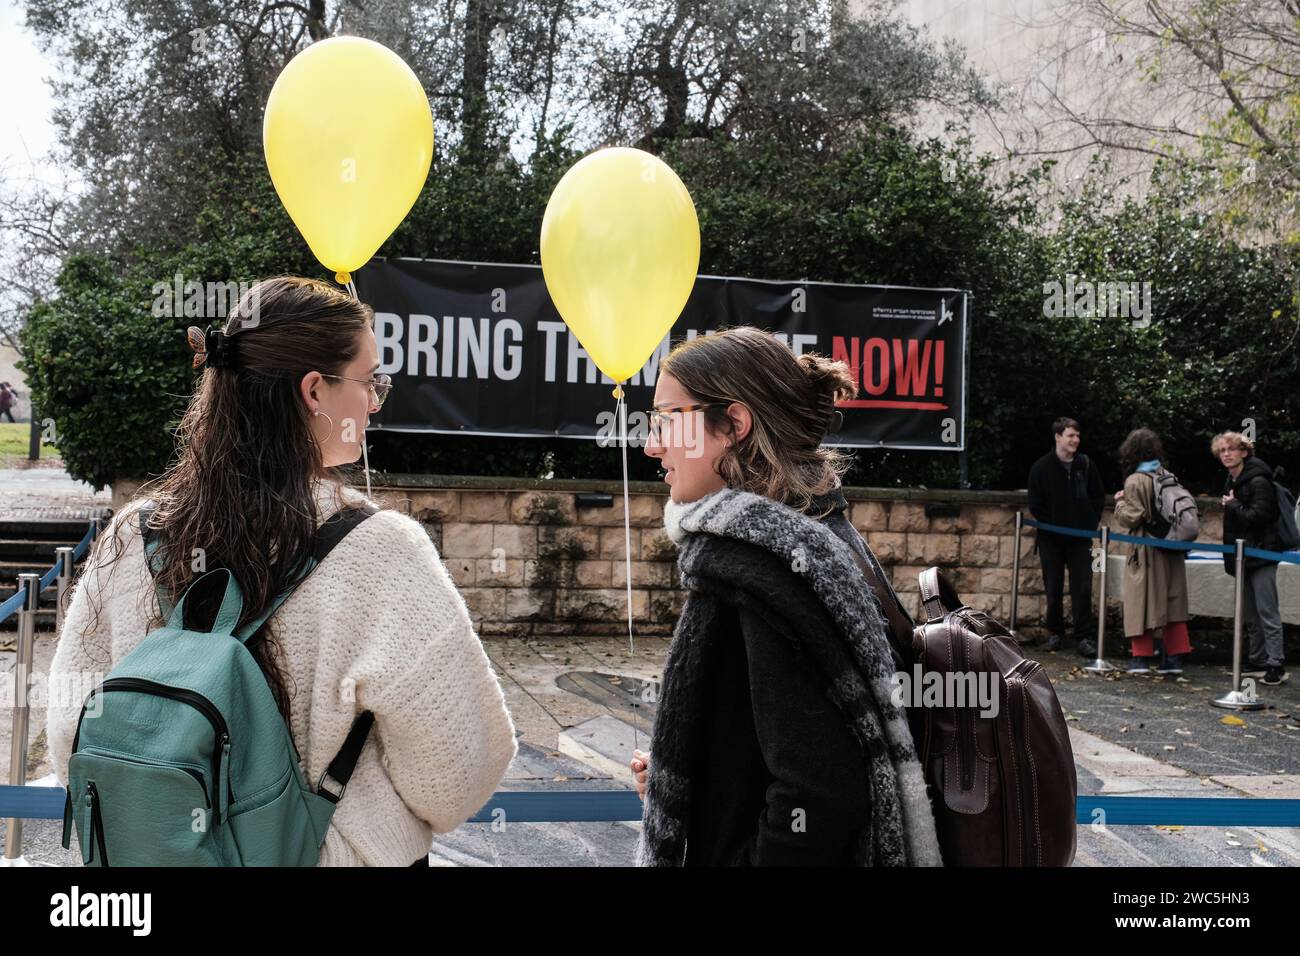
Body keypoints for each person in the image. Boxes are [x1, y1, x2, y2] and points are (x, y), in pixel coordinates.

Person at [46, 275, 518, 865]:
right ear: (315, 390)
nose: (375, 400)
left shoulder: (135, 532)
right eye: (370, 380)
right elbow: (456, 779)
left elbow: (71, 732)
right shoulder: (382, 552)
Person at [630, 325, 941, 867]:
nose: (651, 442)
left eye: (666, 419)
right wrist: (688, 779)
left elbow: (817, 794)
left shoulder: (764, 567)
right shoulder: (817, 532)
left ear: (733, 424)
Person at [1111, 429, 1191, 674]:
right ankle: (1174, 659)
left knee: (1140, 600)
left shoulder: (1135, 480)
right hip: (1171, 547)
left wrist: (1120, 503)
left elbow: (1132, 518)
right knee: (1173, 601)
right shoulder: (1167, 475)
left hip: (1145, 551)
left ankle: (1140, 658)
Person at [1213, 431, 1288, 685]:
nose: (1226, 454)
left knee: (1267, 610)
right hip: (1243, 555)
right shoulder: (1233, 479)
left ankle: (1276, 664)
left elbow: (1262, 516)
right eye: (1222, 450)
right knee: (1249, 612)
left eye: (1232, 449)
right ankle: (1257, 659)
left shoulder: (1258, 480)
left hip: (1262, 553)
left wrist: (1233, 506)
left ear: (1244, 452)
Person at [1027, 417, 1104, 656]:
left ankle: (1084, 636)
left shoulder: (1086, 465)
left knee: (1083, 587)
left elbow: (1097, 497)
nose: (1076, 440)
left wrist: (1089, 522)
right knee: (1053, 587)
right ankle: (1055, 633)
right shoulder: (1041, 468)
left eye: (1077, 436)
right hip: (1051, 539)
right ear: (1058, 437)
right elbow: (1035, 504)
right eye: (1071, 435)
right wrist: (1053, 525)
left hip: (1081, 539)